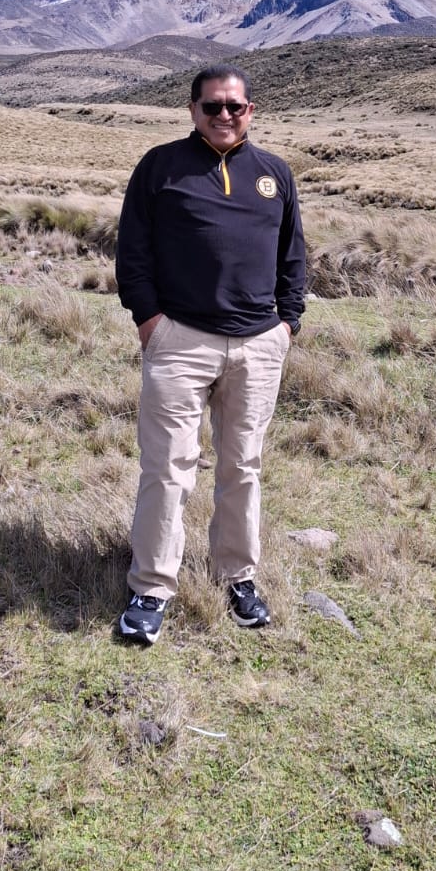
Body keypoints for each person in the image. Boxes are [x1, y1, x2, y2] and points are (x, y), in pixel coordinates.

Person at [114, 64, 306, 644]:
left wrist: (287, 325)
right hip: (180, 341)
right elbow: (133, 251)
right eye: (212, 106)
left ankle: (237, 578)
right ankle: (151, 588)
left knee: (242, 466)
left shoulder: (274, 174)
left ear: (251, 110)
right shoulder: (160, 167)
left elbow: (293, 255)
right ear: (192, 110)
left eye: (234, 106)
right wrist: (150, 322)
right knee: (168, 467)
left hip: (258, 345)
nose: (224, 115)